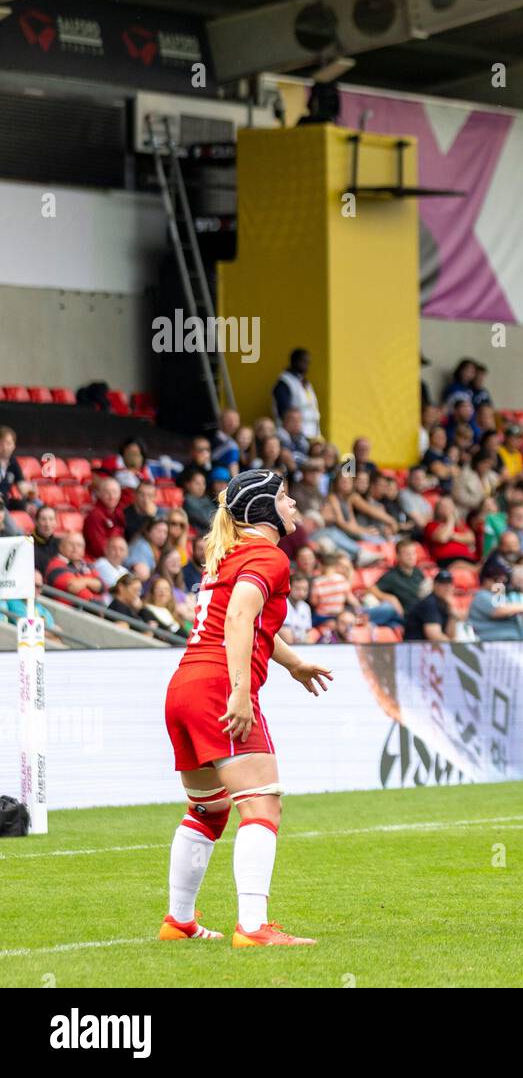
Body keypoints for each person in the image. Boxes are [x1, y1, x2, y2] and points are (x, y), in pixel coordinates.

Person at [159, 469, 331, 946]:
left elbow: (245, 622)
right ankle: (254, 928)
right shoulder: (267, 555)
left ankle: (179, 922)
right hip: (218, 686)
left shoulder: (228, 555)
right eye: (283, 496)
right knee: (262, 804)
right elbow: (238, 618)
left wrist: (293, 664)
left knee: (208, 809)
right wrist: (239, 691)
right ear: (262, 509)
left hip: (184, 687)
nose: (293, 503)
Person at [273, 348, 321, 438]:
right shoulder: (285, 382)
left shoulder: (305, 382)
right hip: (294, 436)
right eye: (304, 361)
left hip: (312, 432)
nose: (306, 365)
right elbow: (284, 412)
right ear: (294, 361)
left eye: (308, 362)